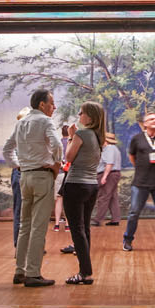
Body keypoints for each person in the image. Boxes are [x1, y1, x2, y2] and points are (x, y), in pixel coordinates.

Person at [4, 88, 64, 287]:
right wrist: (57, 164)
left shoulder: (21, 122)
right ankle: (33, 273)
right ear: (42, 104)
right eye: (52, 103)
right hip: (42, 175)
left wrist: (18, 165)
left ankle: (20, 270)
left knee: (25, 226)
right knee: (38, 227)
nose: (54, 107)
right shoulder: (45, 121)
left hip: (25, 176)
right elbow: (57, 145)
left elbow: (7, 149)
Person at [60, 102, 105, 285]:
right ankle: (85, 271)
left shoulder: (83, 134)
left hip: (76, 185)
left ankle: (85, 272)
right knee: (84, 228)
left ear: (90, 117)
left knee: (77, 230)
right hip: (91, 186)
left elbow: (68, 157)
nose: (79, 115)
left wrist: (71, 137)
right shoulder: (97, 136)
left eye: (82, 113)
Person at [123, 110, 155, 255]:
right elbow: (132, 156)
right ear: (145, 124)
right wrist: (141, 167)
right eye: (151, 119)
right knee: (134, 212)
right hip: (140, 183)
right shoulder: (137, 139)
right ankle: (128, 239)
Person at [4, 108, 26, 245]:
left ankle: (32, 244)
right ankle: (19, 243)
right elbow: (7, 150)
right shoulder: (17, 135)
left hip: (28, 173)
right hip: (20, 173)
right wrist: (18, 166)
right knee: (19, 209)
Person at [95, 132, 122, 226]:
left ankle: (97, 219)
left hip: (109, 174)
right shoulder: (114, 149)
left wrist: (104, 176)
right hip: (114, 174)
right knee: (112, 197)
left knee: (103, 196)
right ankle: (115, 218)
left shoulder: (109, 148)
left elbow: (109, 163)